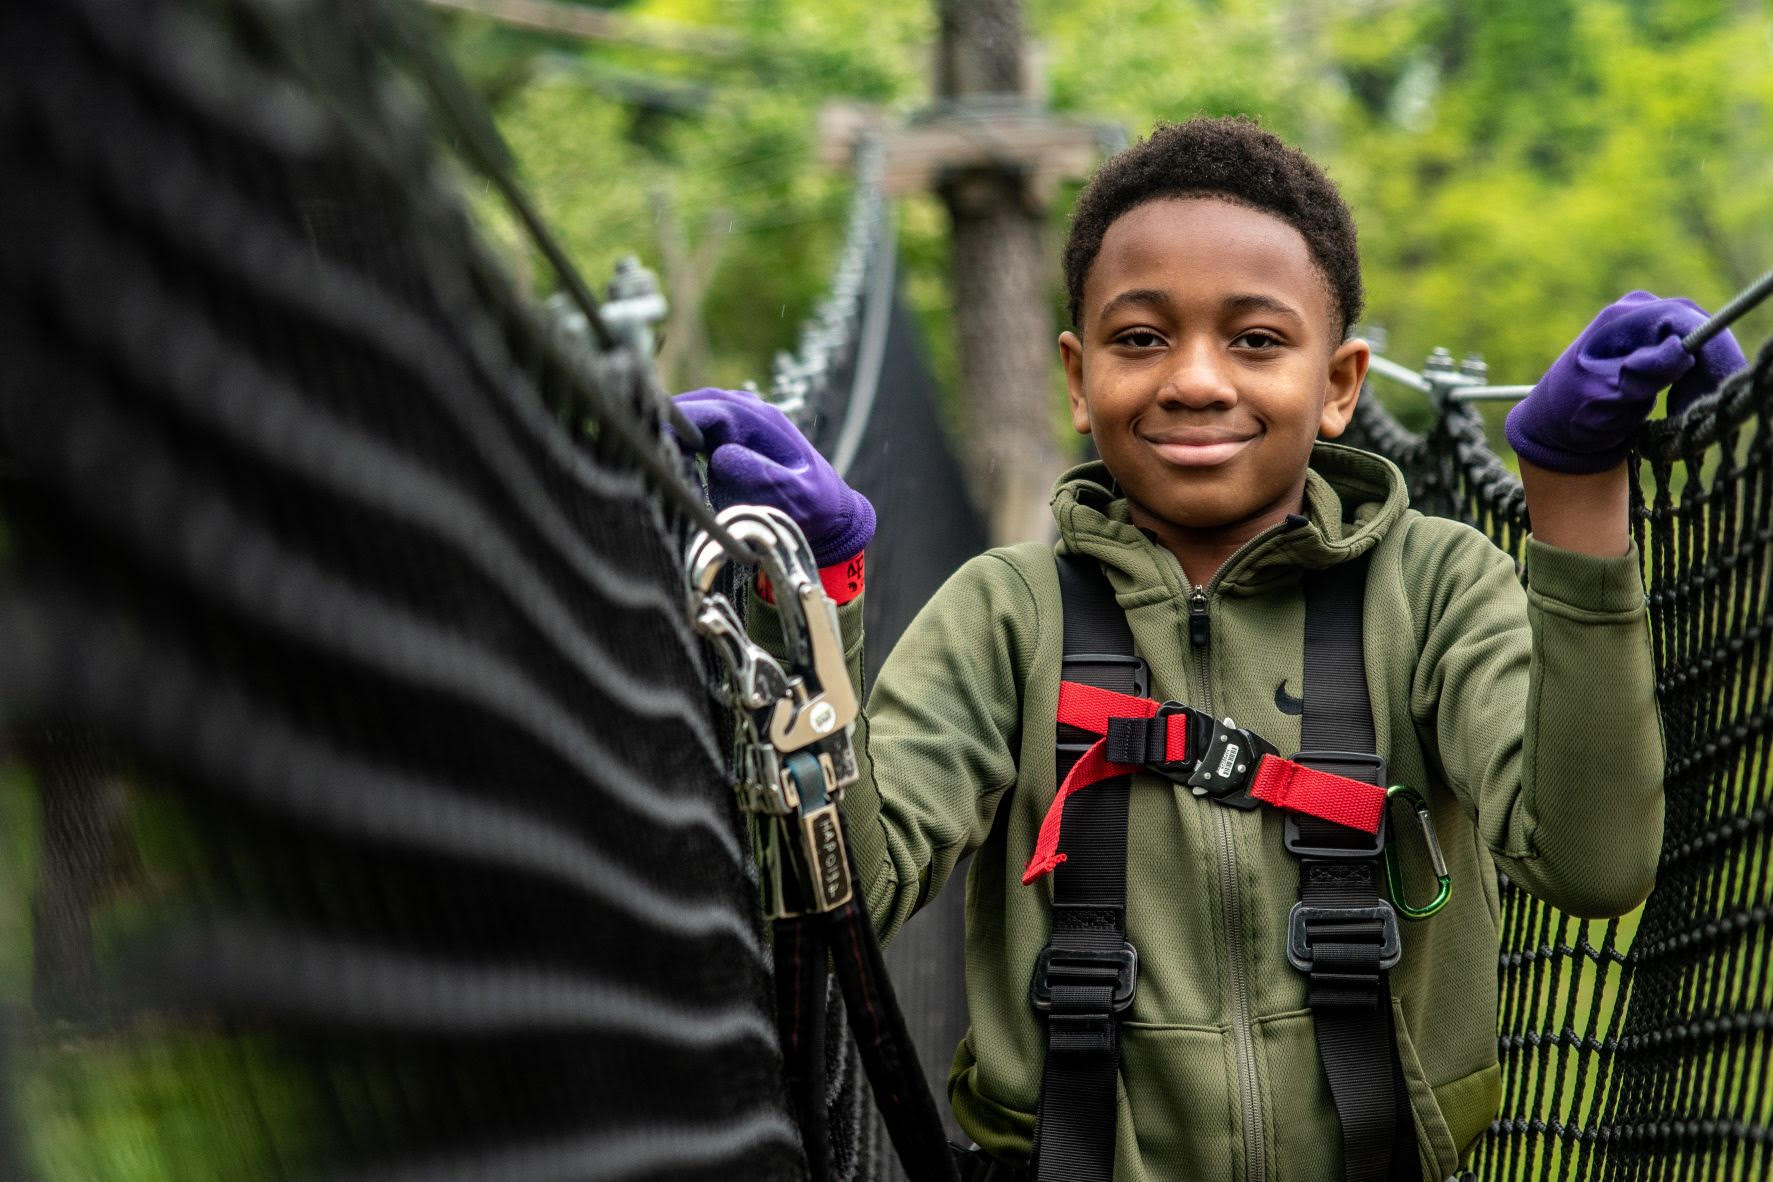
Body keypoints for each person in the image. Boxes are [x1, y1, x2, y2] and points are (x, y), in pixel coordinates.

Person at [675, 116, 1745, 1181]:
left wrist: (1573, 504)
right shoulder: (1005, 615)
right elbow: (841, 904)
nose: (1195, 380)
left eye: (1257, 340)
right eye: (1140, 338)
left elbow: (1596, 863)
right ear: (1077, 378)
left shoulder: (1435, 588)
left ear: (1341, 385)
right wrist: (802, 600)